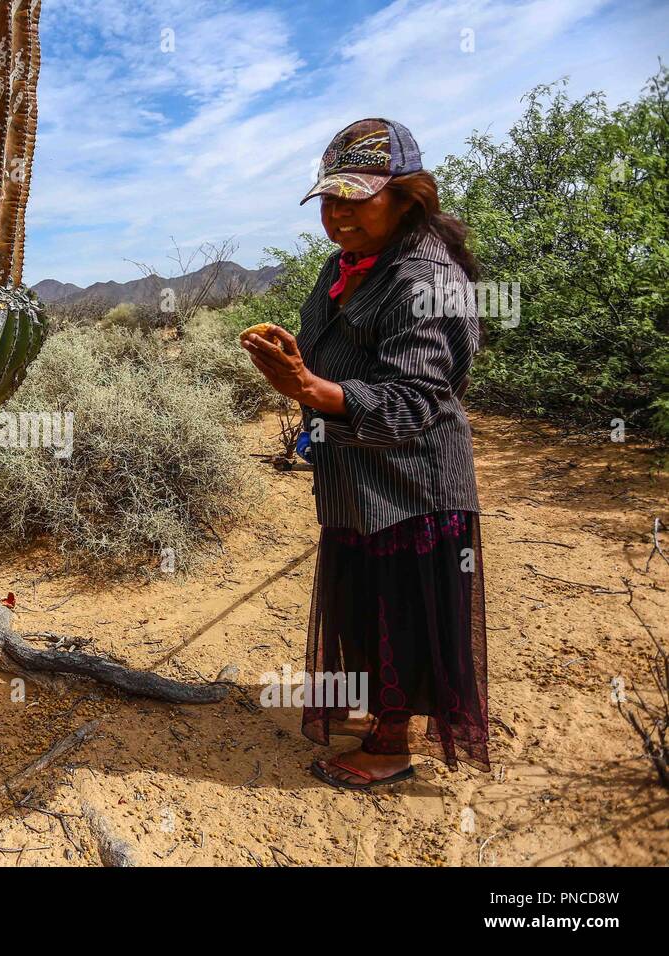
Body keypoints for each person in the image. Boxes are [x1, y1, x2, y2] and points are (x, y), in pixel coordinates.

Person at [241, 118, 490, 789]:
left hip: (412, 486)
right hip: (357, 477)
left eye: (357, 197)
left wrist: (308, 388)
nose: (338, 214)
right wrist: (298, 359)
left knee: (400, 612)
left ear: (406, 197)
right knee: (364, 607)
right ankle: (381, 714)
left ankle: (391, 745)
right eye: (329, 199)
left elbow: (414, 400)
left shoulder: (425, 277)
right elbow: (346, 359)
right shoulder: (343, 267)